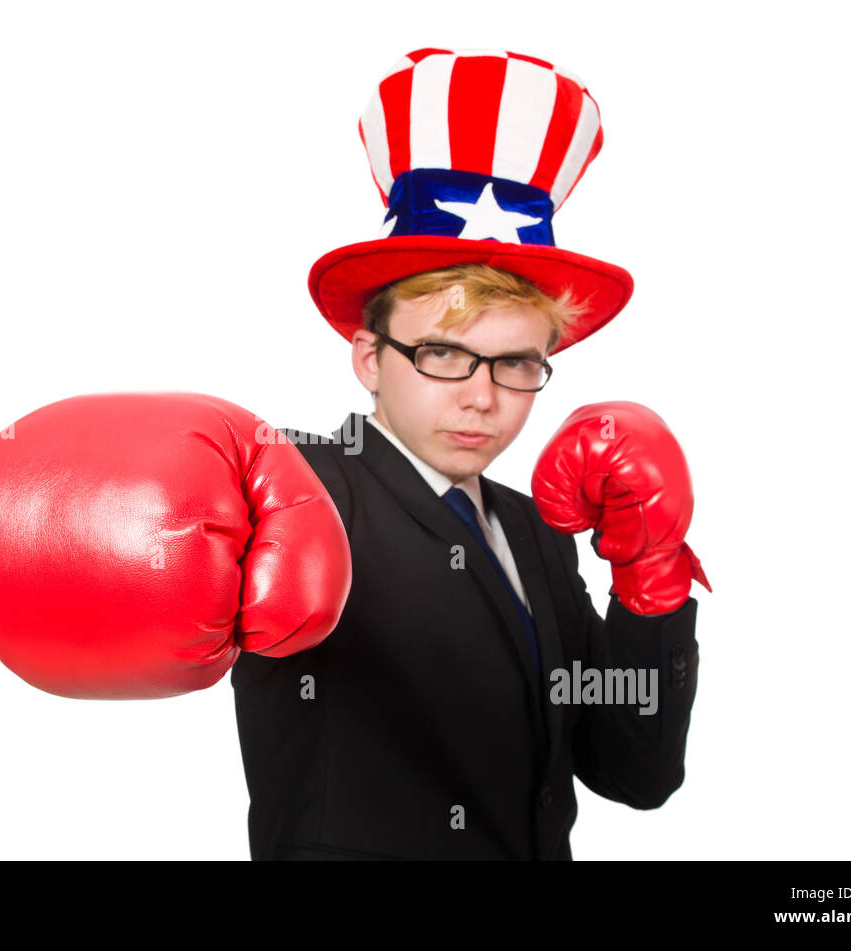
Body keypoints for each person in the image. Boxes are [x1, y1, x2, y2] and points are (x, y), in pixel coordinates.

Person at [229, 48, 709, 860]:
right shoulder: (298, 487)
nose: (483, 396)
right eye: (445, 354)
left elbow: (635, 772)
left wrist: (648, 575)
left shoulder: (536, 532)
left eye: (516, 362)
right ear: (368, 357)